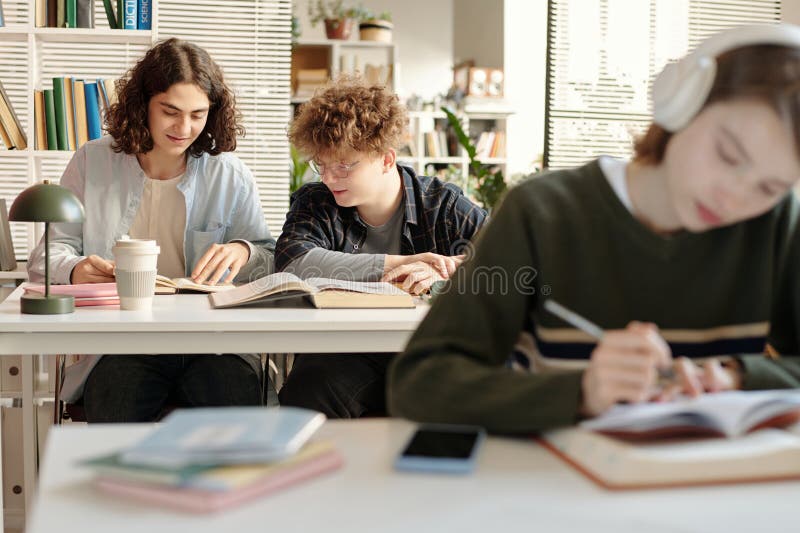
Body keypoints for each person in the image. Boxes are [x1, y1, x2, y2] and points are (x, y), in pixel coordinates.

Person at [388, 24, 800, 433]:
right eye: (728, 154)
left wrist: (740, 376)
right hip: (555, 488)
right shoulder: (542, 212)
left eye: (769, 187)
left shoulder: (777, 221)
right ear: (681, 103)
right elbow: (419, 383)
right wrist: (583, 390)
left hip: (719, 487)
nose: (735, 198)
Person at [27, 38, 276, 422]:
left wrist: (244, 250)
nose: (184, 127)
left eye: (198, 114)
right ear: (142, 104)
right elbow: (46, 258)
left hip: (214, 342)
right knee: (115, 410)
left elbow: (270, 258)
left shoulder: (230, 174)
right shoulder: (92, 161)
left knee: (239, 413)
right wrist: (77, 270)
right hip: (123, 342)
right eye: (170, 111)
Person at [276, 75, 487, 418]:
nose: (329, 179)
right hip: (342, 354)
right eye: (322, 165)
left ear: (387, 159)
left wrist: (450, 270)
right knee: (308, 389)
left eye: (344, 165)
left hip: (426, 353)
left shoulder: (444, 206)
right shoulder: (316, 202)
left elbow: (513, 265)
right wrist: (399, 263)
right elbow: (293, 263)